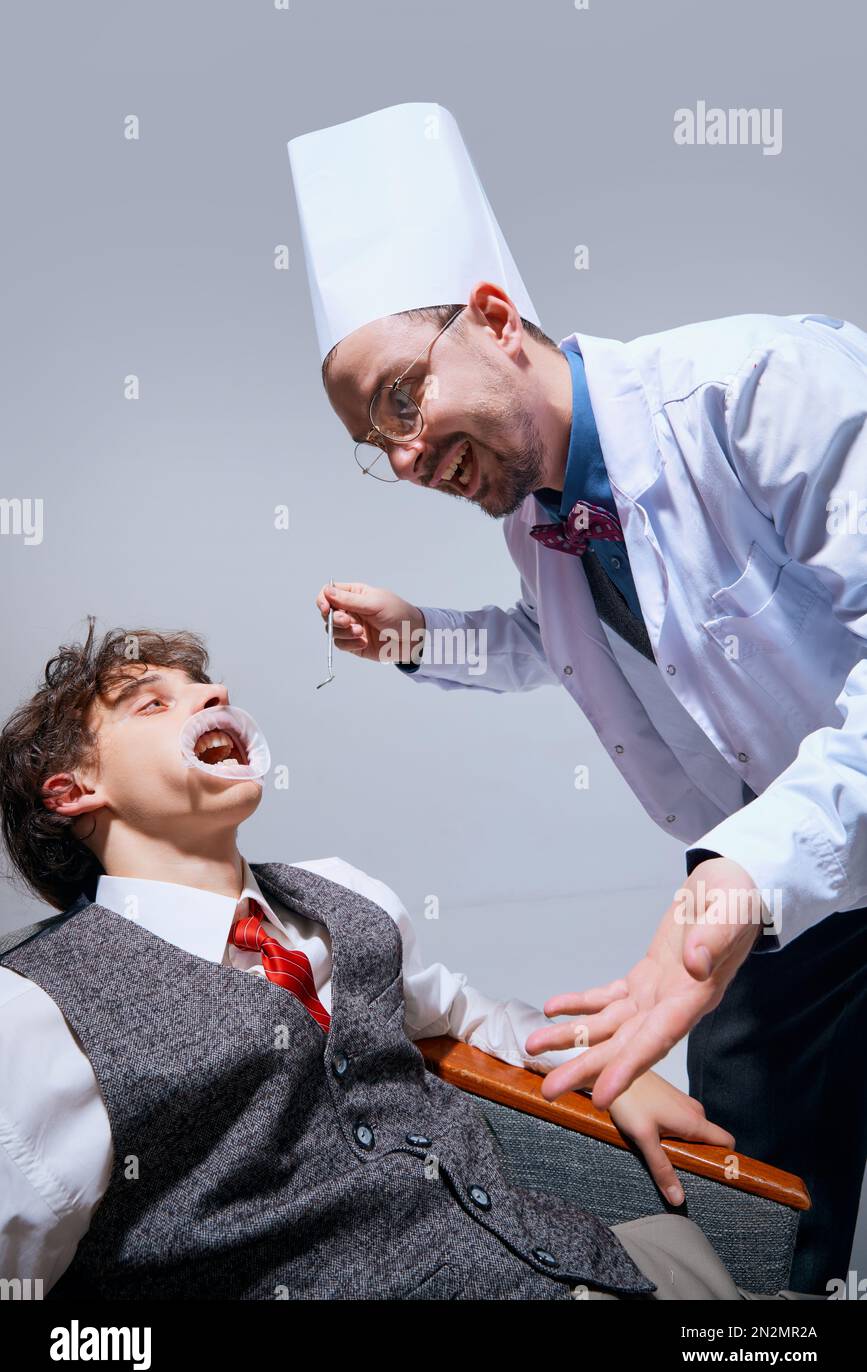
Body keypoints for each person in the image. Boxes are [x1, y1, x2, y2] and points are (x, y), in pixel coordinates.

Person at [290, 101, 867, 1293]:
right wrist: (417, 638)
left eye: (401, 401)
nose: (401, 459)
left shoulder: (765, 387)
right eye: (371, 440)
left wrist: (746, 871)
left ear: (494, 319)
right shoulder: (538, 519)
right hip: (768, 890)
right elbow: (552, 648)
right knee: (755, 1222)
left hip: (767, 858)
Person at [0, 621, 817, 1301]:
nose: (212, 697)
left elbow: (466, 1018)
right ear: (72, 791)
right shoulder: (36, 1017)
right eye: (154, 703)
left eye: (206, 686)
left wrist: (604, 1066)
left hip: (581, 1264)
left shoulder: (344, 898)